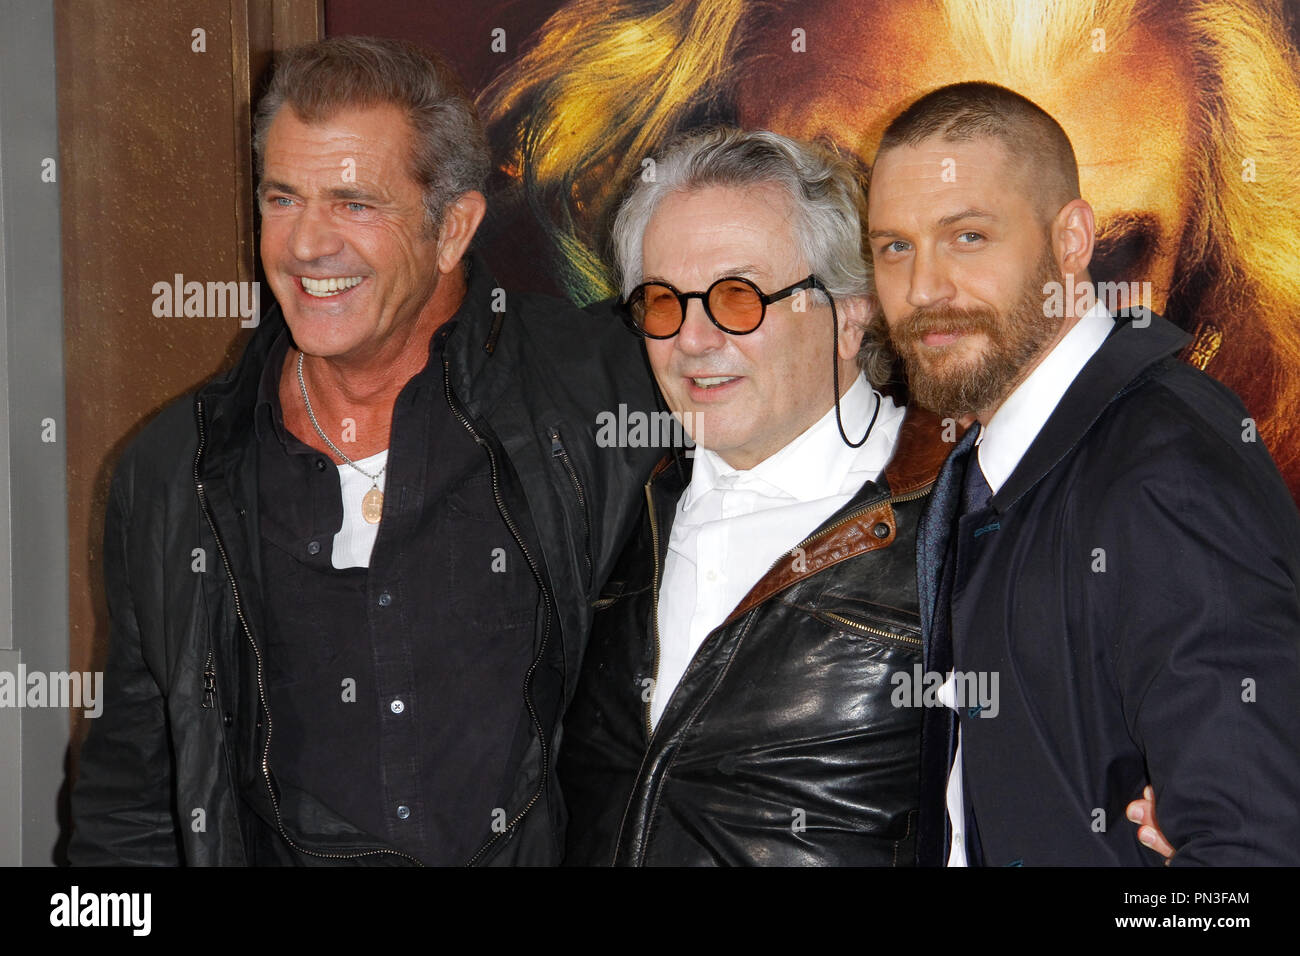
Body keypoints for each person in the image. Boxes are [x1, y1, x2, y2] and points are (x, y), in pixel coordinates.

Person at [68, 36, 659, 866]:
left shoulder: (608, 389)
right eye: (282, 198)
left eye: (353, 204)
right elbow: (130, 804)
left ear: (451, 227)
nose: (306, 245)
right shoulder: (173, 471)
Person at [480, 0, 1300, 499]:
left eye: (1096, 262)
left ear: (1207, 279)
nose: (958, 313)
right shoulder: (546, 466)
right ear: (692, 142)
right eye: (871, 221)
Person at [865, 80, 1300, 865]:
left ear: (1071, 241)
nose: (923, 289)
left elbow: (1253, 857)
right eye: (895, 246)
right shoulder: (991, 462)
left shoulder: (1161, 468)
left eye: (967, 237)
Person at [557, 127, 955, 865]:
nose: (694, 339)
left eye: (739, 297)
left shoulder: (961, 517)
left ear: (851, 313)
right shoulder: (612, 513)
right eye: (662, 302)